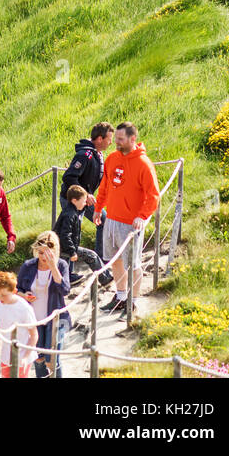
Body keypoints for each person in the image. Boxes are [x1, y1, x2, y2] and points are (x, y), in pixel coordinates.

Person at [95, 121, 159, 313]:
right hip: (112, 219)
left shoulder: (144, 164)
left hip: (130, 224)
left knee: (133, 263)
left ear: (133, 139)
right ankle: (121, 297)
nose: (117, 143)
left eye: (121, 140)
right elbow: (105, 185)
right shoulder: (112, 158)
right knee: (115, 260)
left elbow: (153, 195)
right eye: (116, 139)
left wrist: (142, 216)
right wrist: (98, 208)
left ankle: (134, 301)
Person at [16, 231, 71, 378]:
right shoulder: (28, 266)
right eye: (40, 253)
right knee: (38, 358)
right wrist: (24, 295)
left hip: (56, 319)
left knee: (51, 359)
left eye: (47, 253)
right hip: (34, 320)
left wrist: (53, 267)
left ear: (55, 251)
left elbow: (65, 290)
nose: (43, 257)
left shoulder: (62, 265)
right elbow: (16, 289)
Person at [0, 271, 38, 379]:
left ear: (14, 291)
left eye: (4, 295)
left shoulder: (24, 308)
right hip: (6, 355)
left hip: (22, 354)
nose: (0, 298)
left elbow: (34, 335)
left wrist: (26, 357)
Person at [54, 184, 112, 289]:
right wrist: (72, 251)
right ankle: (106, 279)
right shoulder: (70, 214)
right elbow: (65, 235)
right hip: (63, 247)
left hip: (62, 246)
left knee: (63, 264)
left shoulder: (72, 212)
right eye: (83, 200)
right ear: (74, 200)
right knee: (92, 256)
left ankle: (67, 279)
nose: (85, 203)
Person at [63, 122, 112, 228]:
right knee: (71, 232)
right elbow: (69, 177)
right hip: (73, 199)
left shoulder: (98, 154)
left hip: (86, 198)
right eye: (109, 139)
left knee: (104, 221)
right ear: (100, 139)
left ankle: (100, 246)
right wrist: (86, 194)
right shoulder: (84, 155)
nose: (111, 142)